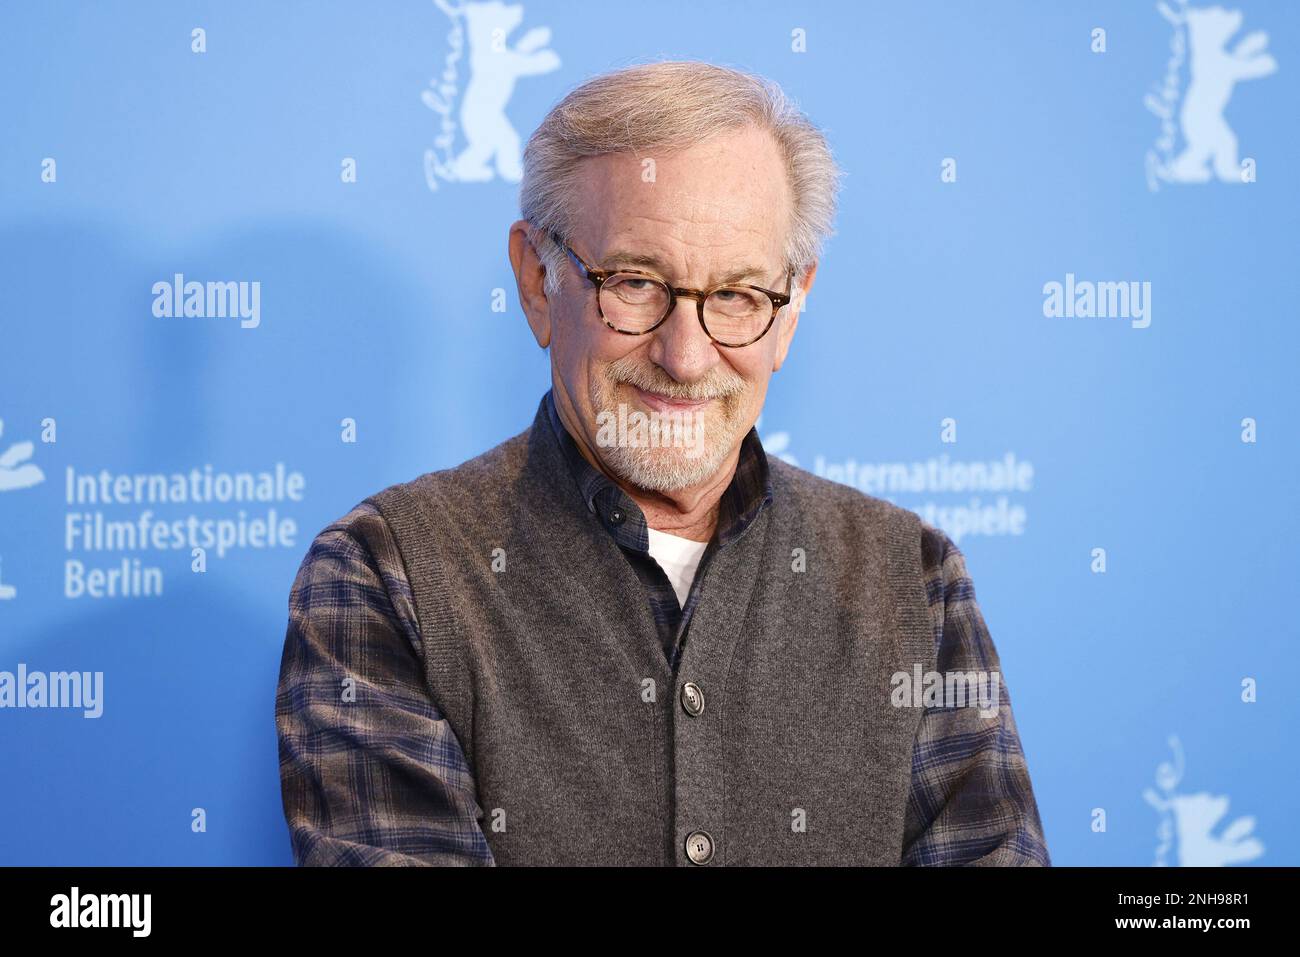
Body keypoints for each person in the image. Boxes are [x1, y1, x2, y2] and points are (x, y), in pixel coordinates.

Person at [275, 60, 1050, 866]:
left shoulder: (915, 582)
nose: (685, 356)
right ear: (538, 280)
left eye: (739, 295)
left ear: (792, 310)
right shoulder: (382, 576)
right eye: (637, 283)